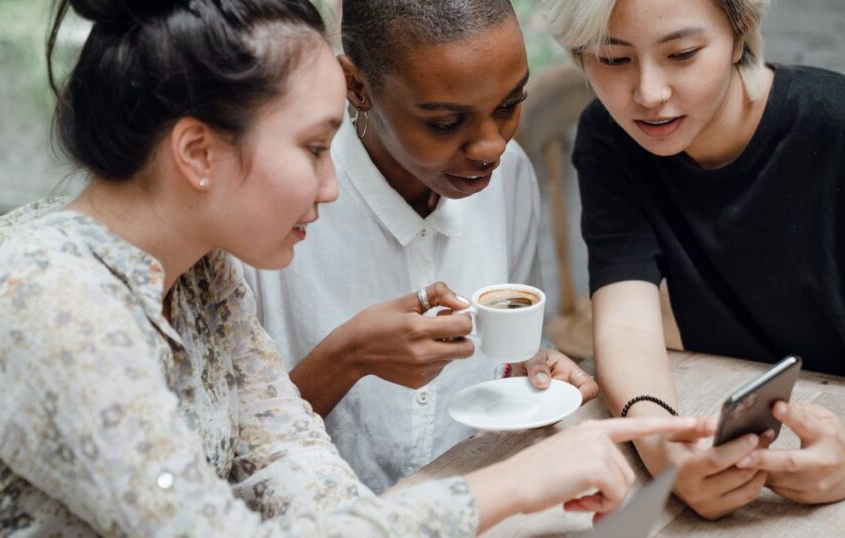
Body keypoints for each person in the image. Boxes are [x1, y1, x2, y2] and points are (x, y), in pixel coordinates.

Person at [0, 0, 713, 535]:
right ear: (197, 152)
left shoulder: (204, 277)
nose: (334, 182)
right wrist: (504, 488)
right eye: (315, 148)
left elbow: (294, 472)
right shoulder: (50, 297)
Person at [538, 0, 845, 520]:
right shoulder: (613, 139)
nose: (648, 94)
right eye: (612, 60)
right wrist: (664, 449)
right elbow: (627, 326)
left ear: (739, 34)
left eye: (682, 54)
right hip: (741, 430)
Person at [244, 0, 599, 494]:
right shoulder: (275, 213)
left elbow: (501, 365)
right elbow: (227, 449)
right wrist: (347, 358)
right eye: (445, 123)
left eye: (508, 105)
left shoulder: (509, 176)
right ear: (357, 87)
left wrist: (531, 366)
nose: (490, 147)